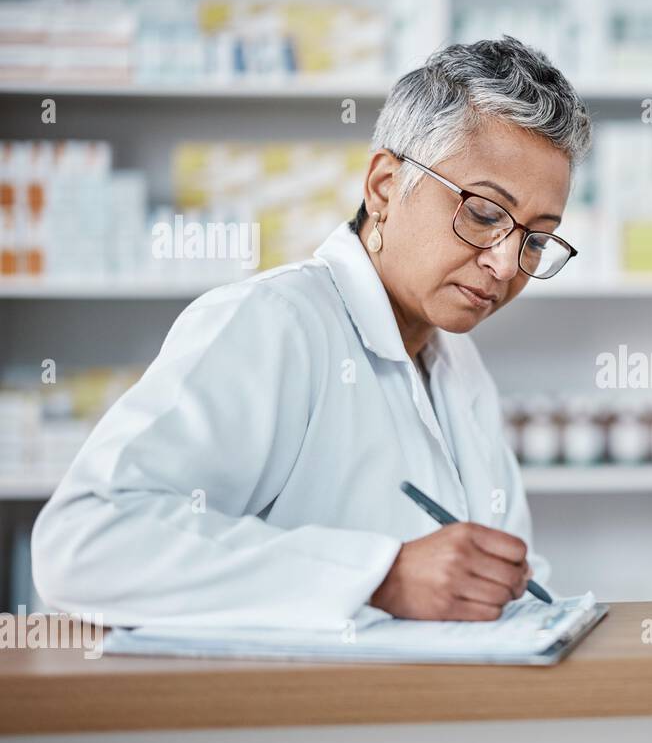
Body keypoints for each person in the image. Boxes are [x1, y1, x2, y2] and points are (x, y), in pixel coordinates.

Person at [32, 36, 592, 629]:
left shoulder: (457, 362)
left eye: (535, 238)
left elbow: (501, 579)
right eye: (483, 214)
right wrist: (380, 576)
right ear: (383, 188)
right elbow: (84, 543)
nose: (506, 265)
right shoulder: (274, 323)